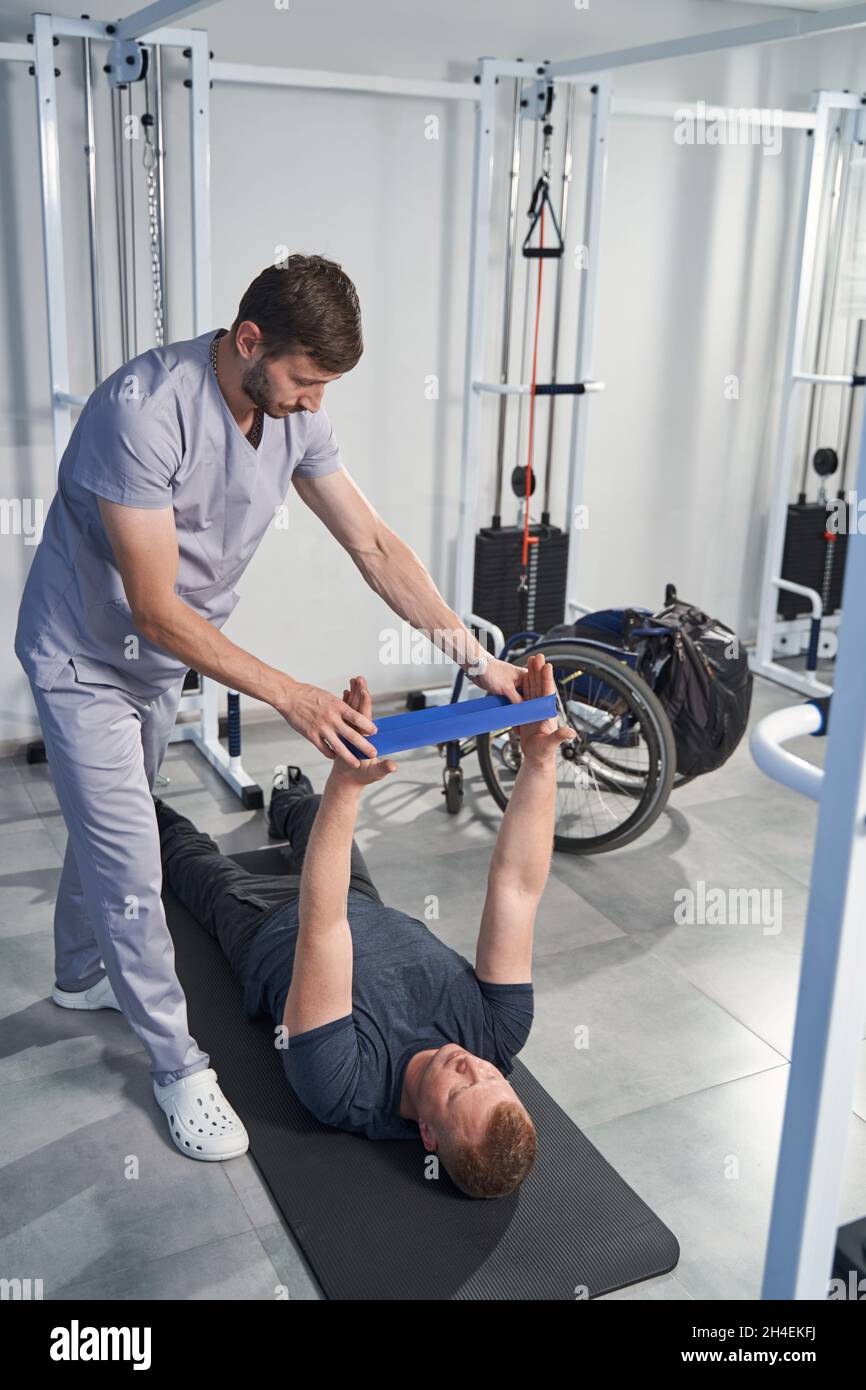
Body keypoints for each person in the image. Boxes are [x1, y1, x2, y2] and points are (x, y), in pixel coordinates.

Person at [14, 254, 525, 1160]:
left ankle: (78, 970)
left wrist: (476, 660)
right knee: (132, 862)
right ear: (249, 343)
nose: (315, 404)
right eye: (305, 380)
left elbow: (372, 544)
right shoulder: (142, 411)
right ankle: (176, 1068)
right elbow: (153, 607)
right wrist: (291, 694)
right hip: (87, 655)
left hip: (158, 663)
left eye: (327, 386)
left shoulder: (294, 420)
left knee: (111, 819)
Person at [156, 656, 575, 1196]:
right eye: (491, 1077)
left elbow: (323, 927)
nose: (470, 1064)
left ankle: (142, 802)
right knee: (308, 811)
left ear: (426, 1133)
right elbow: (517, 891)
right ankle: (288, 793)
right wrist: (540, 761)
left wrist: (348, 789)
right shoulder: (497, 1034)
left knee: (190, 859)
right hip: (361, 901)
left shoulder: (344, 1087)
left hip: (269, 925)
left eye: (457, 1090)